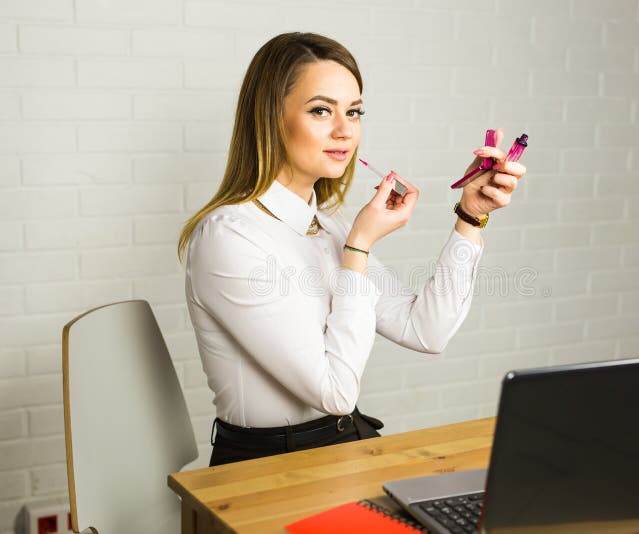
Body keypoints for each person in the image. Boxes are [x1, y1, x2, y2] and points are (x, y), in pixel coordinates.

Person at [177, 32, 526, 466]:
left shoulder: (326, 223)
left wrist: (469, 218)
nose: (345, 131)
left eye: (354, 112)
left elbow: (427, 330)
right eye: (321, 110)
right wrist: (358, 248)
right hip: (264, 468)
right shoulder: (228, 238)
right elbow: (336, 392)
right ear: (270, 118)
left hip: (341, 451)